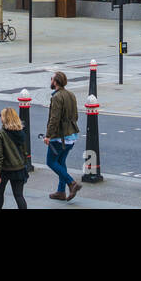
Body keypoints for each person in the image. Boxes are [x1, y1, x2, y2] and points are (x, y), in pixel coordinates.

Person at [43, 70, 81, 201]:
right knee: (61, 162)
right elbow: (76, 115)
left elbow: (54, 119)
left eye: (52, 79)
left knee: (50, 162)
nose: (51, 81)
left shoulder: (57, 97)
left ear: (56, 82)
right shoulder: (71, 94)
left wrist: (48, 136)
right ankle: (60, 192)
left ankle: (72, 183)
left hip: (60, 137)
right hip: (72, 135)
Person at [0, 107, 28, 209]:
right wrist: (24, 164)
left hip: (4, 169)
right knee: (19, 195)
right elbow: (25, 151)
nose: (0, 118)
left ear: (5, 118)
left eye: (1, 116)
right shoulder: (21, 132)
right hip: (19, 169)